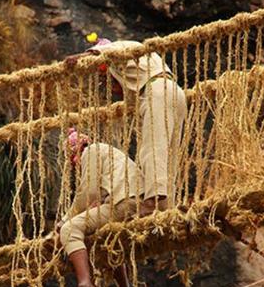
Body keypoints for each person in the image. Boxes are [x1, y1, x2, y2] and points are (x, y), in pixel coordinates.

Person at [66, 36, 188, 215]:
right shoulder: (137, 64)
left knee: (152, 149)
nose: (107, 79)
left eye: (104, 74)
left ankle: (152, 201)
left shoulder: (119, 47)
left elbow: (96, 54)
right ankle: (165, 208)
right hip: (175, 93)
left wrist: (75, 59)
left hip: (158, 92)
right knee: (169, 154)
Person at [56, 128, 141, 287]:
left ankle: (85, 284)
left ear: (75, 151)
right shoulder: (107, 152)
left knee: (70, 230)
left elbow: (89, 193)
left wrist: (64, 221)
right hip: (133, 201)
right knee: (106, 241)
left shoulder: (90, 152)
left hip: (124, 202)